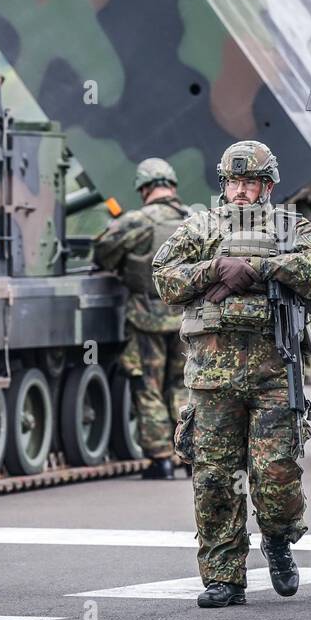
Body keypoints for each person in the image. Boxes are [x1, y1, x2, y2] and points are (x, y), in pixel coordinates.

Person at [153, 140, 311, 607]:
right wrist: (213, 268)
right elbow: (164, 277)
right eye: (232, 182)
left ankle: (278, 537)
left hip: (274, 375)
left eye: (249, 182)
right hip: (212, 380)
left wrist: (256, 268)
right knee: (214, 480)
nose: (239, 191)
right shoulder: (200, 227)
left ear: (267, 185)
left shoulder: (291, 227)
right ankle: (224, 578)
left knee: (276, 477)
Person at [92, 158, 192, 480]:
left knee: (147, 386)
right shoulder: (196, 220)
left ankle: (161, 460)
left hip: (147, 317)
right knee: (184, 386)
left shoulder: (137, 221)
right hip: (189, 318)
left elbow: (103, 250)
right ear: (172, 185)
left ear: (144, 188)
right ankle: (191, 455)